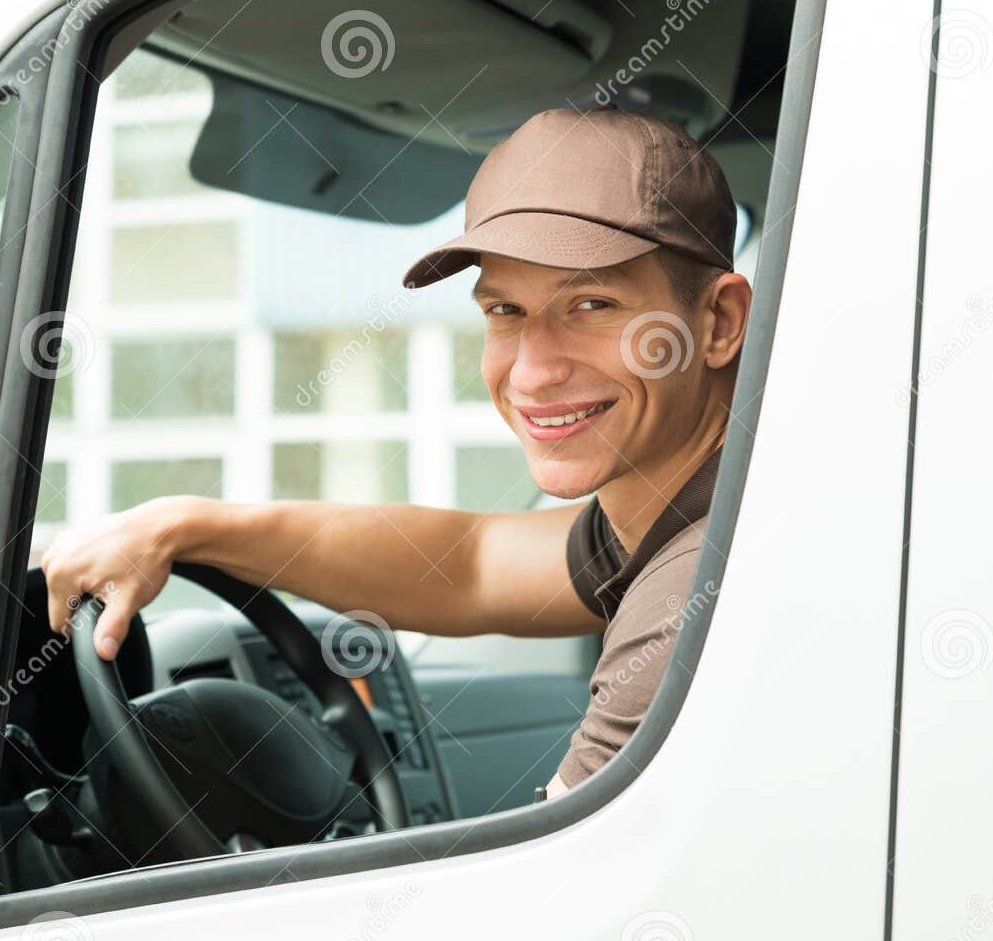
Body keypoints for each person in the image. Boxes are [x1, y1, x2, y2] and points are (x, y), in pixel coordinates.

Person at [42, 104, 751, 797]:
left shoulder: (698, 580)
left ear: (719, 321)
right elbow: (466, 569)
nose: (533, 372)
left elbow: (561, 898)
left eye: (591, 305)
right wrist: (186, 526)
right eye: (505, 311)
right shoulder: (683, 509)